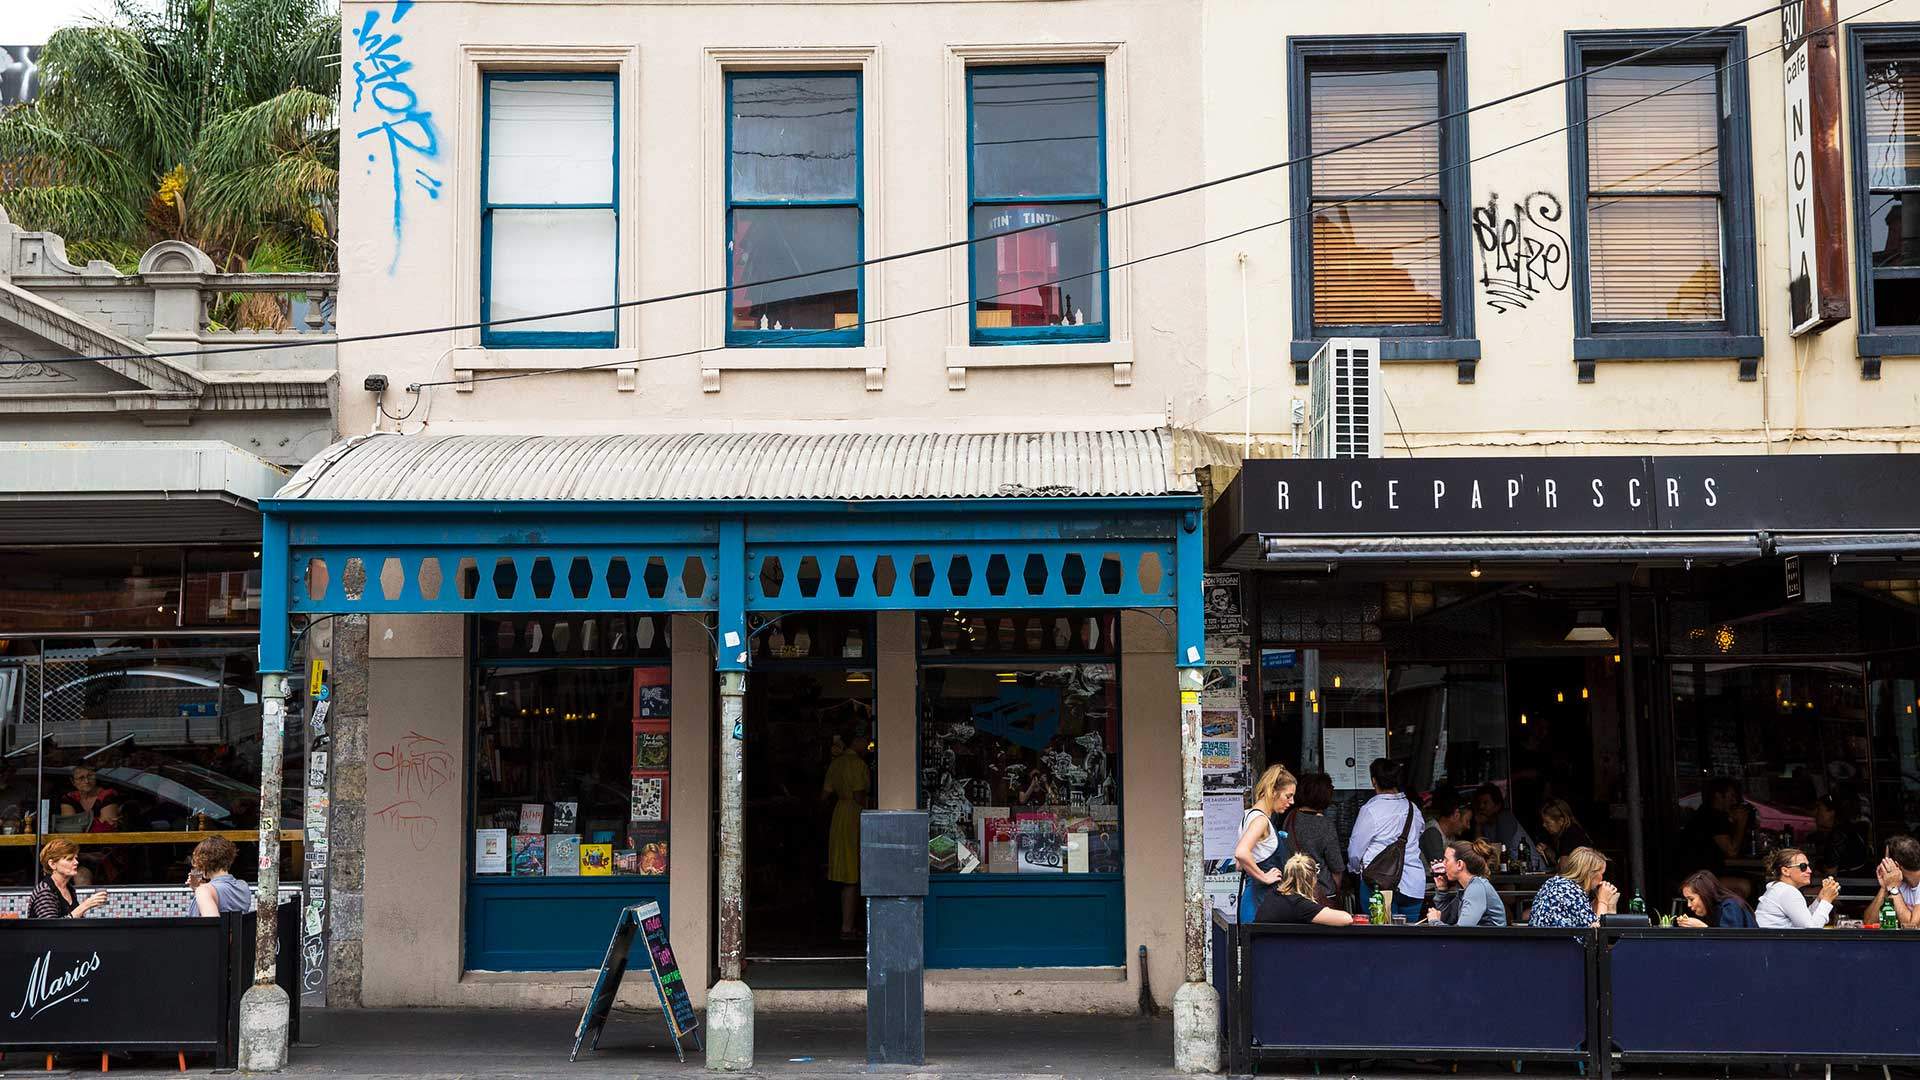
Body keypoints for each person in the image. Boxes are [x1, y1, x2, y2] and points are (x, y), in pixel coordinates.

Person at [1347, 758, 1425, 921]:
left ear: (1374, 781)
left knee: (1380, 937)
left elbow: (1355, 850)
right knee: (1410, 937)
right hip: (1413, 883)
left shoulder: (1370, 810)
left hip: (1377, 883)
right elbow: (1420, 832)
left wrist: (1354, 870)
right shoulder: (1413, 808)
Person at [820, 730, 870, 941]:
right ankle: (848, 927)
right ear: (856, 741)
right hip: (854, 816)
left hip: (839, 815)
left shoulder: (836, 764)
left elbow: (824, 795)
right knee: (854, 873)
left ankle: (846, 924)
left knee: (845, 870)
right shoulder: (858, 764)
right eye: (864, 739)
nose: (867, 743)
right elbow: (860, 796)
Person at [1235, 765, 1295, 920]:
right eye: (1288, 796)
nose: (1292, 801)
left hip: (1252, 900)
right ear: (1273, 792)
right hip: (1261, 902)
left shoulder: (1248, 817)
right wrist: (1264, 877)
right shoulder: (1261, 821)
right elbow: (1241, 853)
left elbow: (1239, 865)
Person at [1527, 847, 1619, 928]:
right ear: (1590, 874)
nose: (1602, 878)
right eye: (1602, 873)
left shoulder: (1553, 882)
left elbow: (1583, 918)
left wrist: (1597, 900)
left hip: (1539, 945)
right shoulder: (1572, 892)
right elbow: (1596, 935)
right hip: (1561, 946)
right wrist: (1603, 901)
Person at [1287, 771, 1344, 901]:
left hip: (1293, 890)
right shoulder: (1325, 824)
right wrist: (1336, 889)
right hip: (1321, 891)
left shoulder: (1290, 817)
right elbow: (1336, 867)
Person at [1254, 854, 1354, 926]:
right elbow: (1346, 919)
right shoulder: (1300, 905)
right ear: (1312, 879)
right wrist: (1325, 910)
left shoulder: (1273, 895)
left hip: (1264, 951)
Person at [1680, 778, 1751, 877]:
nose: (1734, 801)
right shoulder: (1713, 817)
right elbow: (1732, 852)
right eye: (1731, 796)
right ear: (1718, 796)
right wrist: (1741, 822)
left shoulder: (1706, 813)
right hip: (1699, 876)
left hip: (1701, 872)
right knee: (1746, 884)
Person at [1427, 839, 1507, 927]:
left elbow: (1462, 931)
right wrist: (1442, 890)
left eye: (1446, 860)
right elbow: (1448, 919)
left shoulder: (1476, 888)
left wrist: (1434, 922)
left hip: (1490, 940)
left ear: (1459, 864)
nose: (1443, 864)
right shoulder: (1468, 887)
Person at [1754, 846, 1839, 929]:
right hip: (1773, 942)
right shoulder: (1787, 892)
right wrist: (1827, 900)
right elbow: (1812, 930)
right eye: (1803, 866)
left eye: (1809, 866)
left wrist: (1820, 899)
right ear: (1785, 871)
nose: (1810, 871)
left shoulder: (1780, 889)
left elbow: (1805, 920)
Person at [28, 838, 108, 918]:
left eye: (76, 858)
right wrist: (85, 905)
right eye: (69, 859)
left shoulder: (68, 888)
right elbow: (51, 928)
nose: (76, 862)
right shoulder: (45, 891)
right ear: (52, 864)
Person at [1472, 783, 1540, 870]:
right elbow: (1479, 851)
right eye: (1479, 803)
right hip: (1512, 871)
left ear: (1497, 806)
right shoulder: (1486, 824)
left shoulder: (1505, 818)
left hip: (1531, 871)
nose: (1481, 807)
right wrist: (1478, 825)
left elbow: (1502, 850)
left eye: (1485, 803)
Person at [1806, 795, 1874, 878]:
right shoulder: (1845, 829)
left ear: (1831, 812)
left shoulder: (1837, 836)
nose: (1815, 814)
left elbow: (1831, 872)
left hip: (1850, 884)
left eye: (1819, 809)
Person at [188, 835, 256, 915]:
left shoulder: (204, 891)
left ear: (204, 862)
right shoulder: (243, 885)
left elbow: (212, 925)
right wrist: (198, 889)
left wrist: (201, 890)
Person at [1867, 834, 1920, 929]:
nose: (1882, 863)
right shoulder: (1896, 881)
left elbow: (1912, 928)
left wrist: (1893, 888)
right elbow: (1869, 923)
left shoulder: (1895, 884)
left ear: (1896, 865)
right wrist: (1884, 888)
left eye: (1886, 861)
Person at [1675, 869, 1757, 928]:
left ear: (1705, 894)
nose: (1689, 905)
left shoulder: (1730, 906)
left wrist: (1702, 927)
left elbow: (1730, 944)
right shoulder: (1712, 909)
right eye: (1687, 900)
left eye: (1691, 899)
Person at [1535, 799, 1592, 867]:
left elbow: (1564, 868)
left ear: (1561, 821)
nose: (1544, 825)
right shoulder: (1567, 833)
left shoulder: (1570, 835)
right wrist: (1547, 851)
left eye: (1547, 822)